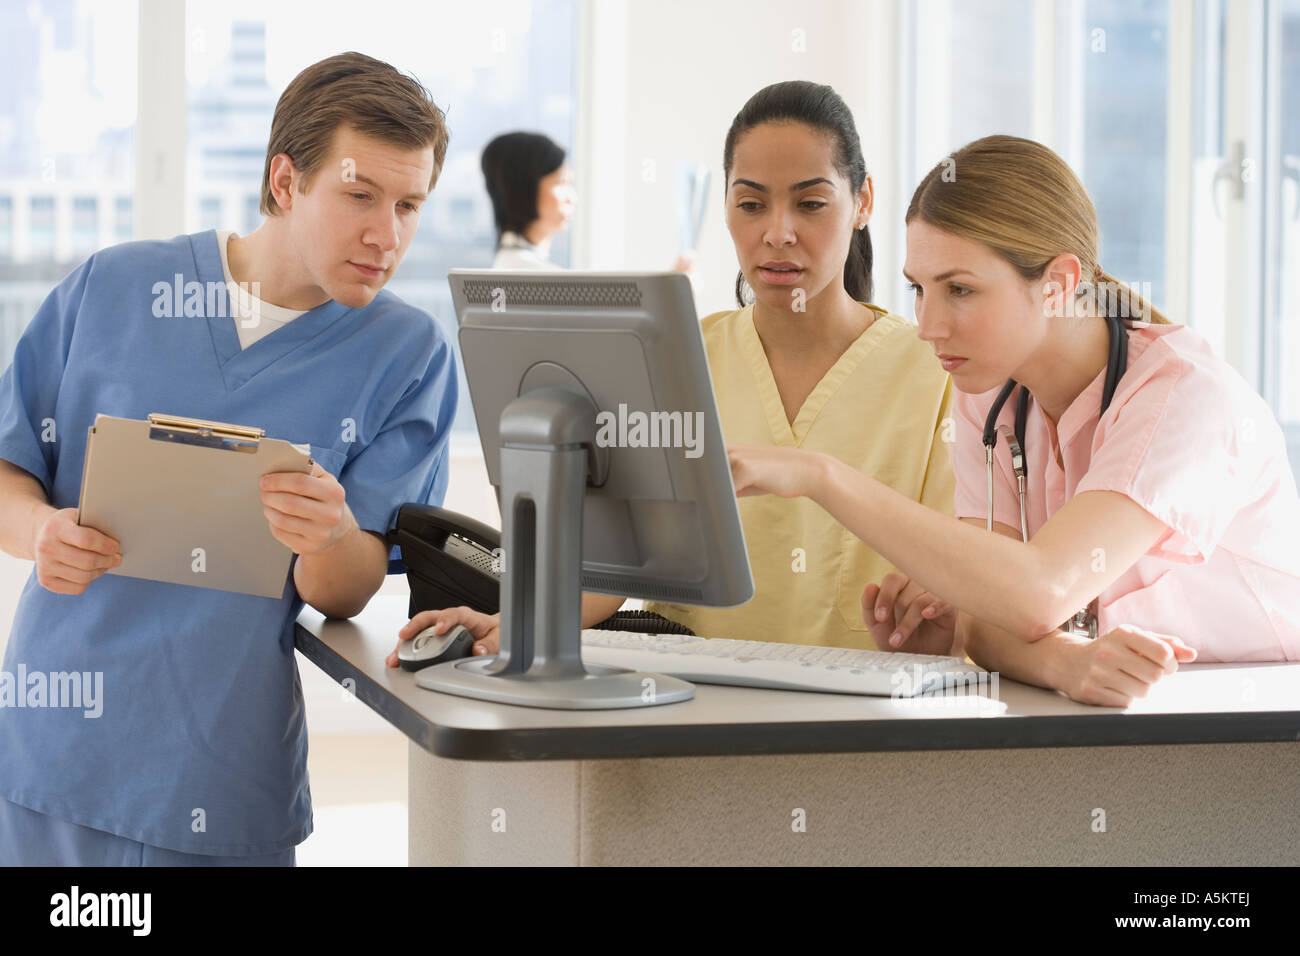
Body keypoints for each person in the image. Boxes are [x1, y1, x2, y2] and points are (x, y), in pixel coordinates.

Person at [0, 52, 458, 865]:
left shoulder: (408, 354)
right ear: (286, 182)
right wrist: (39, 530)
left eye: (409, 205)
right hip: (56, 754)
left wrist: (326, 535)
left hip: (218, 770)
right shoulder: (114, 287)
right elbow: (10, 470)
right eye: (360, 196)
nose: (387, 235)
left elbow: (349, 587)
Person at [387, 81, 955, 667]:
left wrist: (941, 608)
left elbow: (962, 575)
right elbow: (621, 562)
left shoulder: (937, 372)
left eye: (811, 204)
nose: (778, 233)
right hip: (695, 708)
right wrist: (507, 624)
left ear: (862, 202)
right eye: (752, 204)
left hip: (866, 720)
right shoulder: (677, 356)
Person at [726, 134, 1300, 706]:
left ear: (1059, 284)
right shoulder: (992, 392)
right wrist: (1061, 661)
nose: (927, 325)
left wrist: (823, 476)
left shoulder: (1183, 398)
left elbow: (1039, 591)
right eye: (918, 290)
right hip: (1139, 718)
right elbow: (983, 618)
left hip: (1261, 719)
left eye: (959, 290)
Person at [480, 132, 575, 270]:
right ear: (525, 188)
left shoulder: (507, 262)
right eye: (561, 182)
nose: (572, 198)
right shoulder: (542, 276)